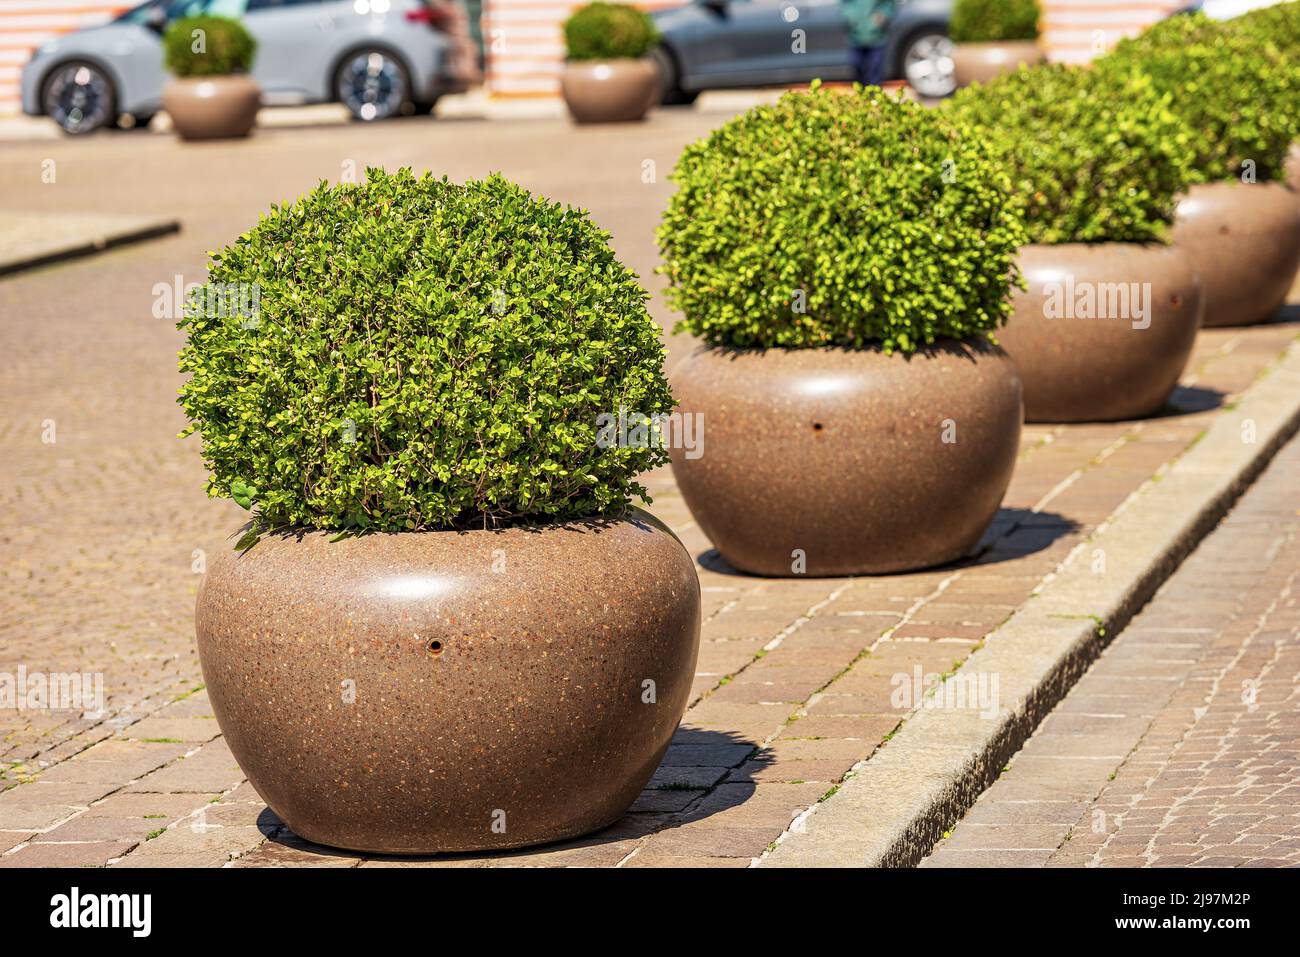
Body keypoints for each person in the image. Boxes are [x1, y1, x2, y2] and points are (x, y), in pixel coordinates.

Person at [839, 0, 896, 88]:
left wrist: (884, 15)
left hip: (877, 37)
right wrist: (851, 16)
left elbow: (890, 4)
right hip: (855, 36)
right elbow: (844, 4)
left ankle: (874, 97)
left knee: (875, 70)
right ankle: (861, 95)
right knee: (857, 66)